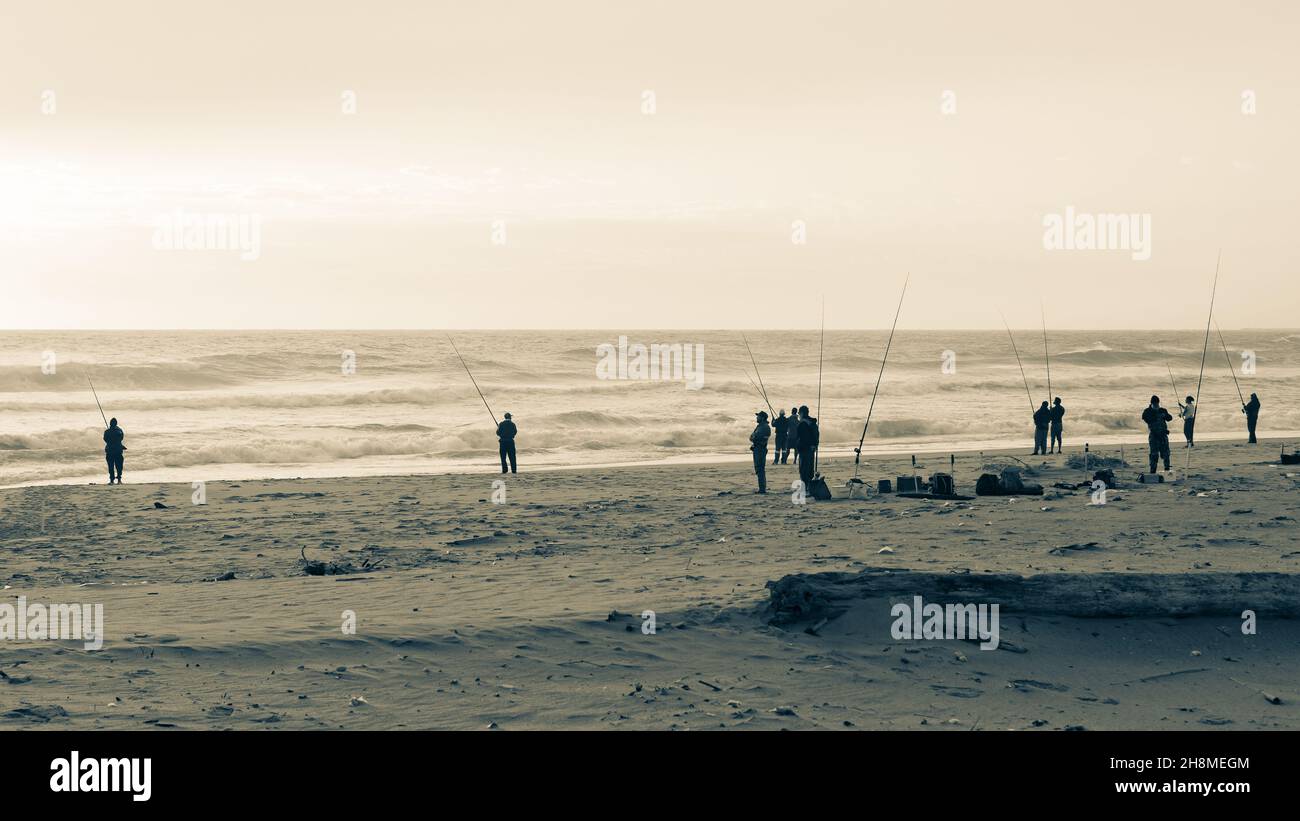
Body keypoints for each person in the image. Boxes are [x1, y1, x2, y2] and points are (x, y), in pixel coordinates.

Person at [1141, 395, 1173, 473]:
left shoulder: (1162, 410)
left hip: (1163, 435)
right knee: (1154, 454)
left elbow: (1170, 418)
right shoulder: (1147, 411)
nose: (1156, 405)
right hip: (1154, 435)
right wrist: (1156, 415)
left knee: (1166, 454)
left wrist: (1164, 415)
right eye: (1155, 404)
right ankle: (1153, 470)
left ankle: (1167, 470)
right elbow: (1146, 418)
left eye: (1157, 404)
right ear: (1151, 403)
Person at [794, 405, 819, 488]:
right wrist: (815, 445)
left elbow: (802, 437)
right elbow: (816, 435)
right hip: (812, 449)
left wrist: (799, 445)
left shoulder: (803, 424)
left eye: (799, 413)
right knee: (810, 469)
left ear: (801, 413)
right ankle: (810, 486)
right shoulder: (812, 423)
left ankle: (806, 487)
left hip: (804, 449)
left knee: (803, 470)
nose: (798, 415)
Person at [749, 411, 770, 493]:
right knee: (759, 469)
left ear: (762, 418)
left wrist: (753, 437)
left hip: (760, 449)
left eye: (758, 416)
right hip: (758, 449)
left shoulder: (764, 427)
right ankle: (762, 488)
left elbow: (754, 437)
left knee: (760, 469)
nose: (757, 418)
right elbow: (752, 437)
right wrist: (753, 437)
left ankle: (762, 489)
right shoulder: (760, 426)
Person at [103, 417, 125, 484]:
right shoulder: (119, 431)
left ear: (110, 423)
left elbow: (105, 439)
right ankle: (119, 480)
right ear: (116, 424)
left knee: (111, 466)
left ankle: (111, 480)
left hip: (109, 451)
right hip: (118, 451)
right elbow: (121, 438)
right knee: (119, 466)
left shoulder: (107, 431)